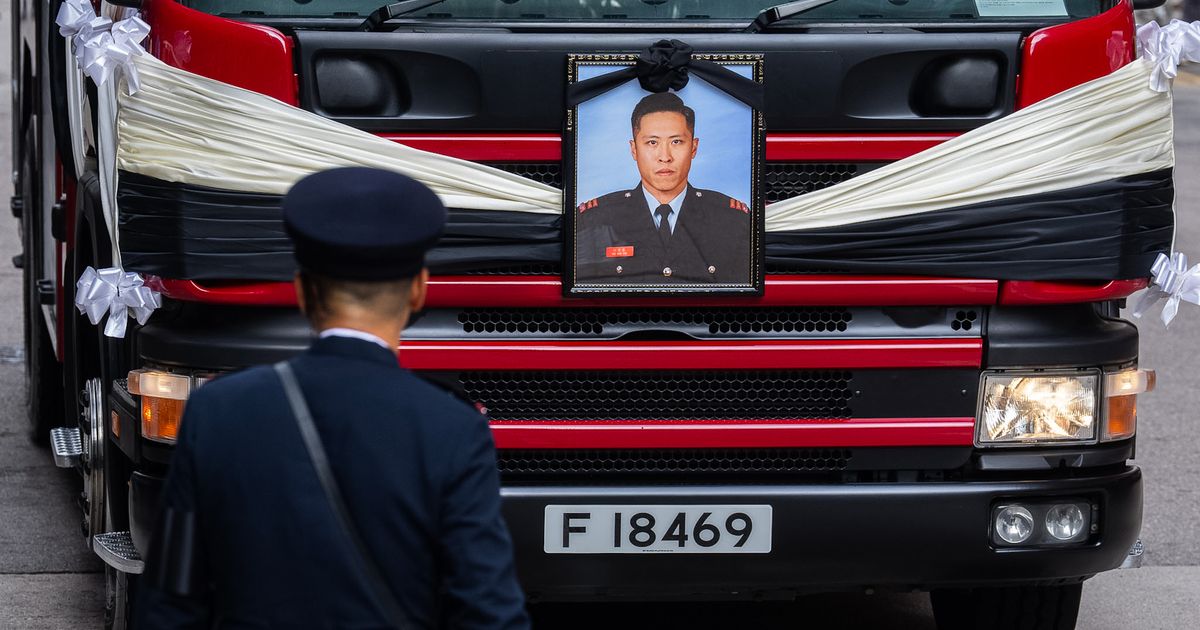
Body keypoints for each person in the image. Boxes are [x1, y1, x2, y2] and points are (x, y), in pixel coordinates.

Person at [135, 168, 529, 629]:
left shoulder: (219, 411)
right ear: (418, 290)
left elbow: (171, 602)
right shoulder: (453, 430)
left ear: (303, 291)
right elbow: (489, 613)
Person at [575, 91, 752, 285]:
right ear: (634, 149)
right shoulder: (595, 219)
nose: (665, 156)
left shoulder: (732, 220)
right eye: (652, 142)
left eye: (676, 142)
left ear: (693, 147)